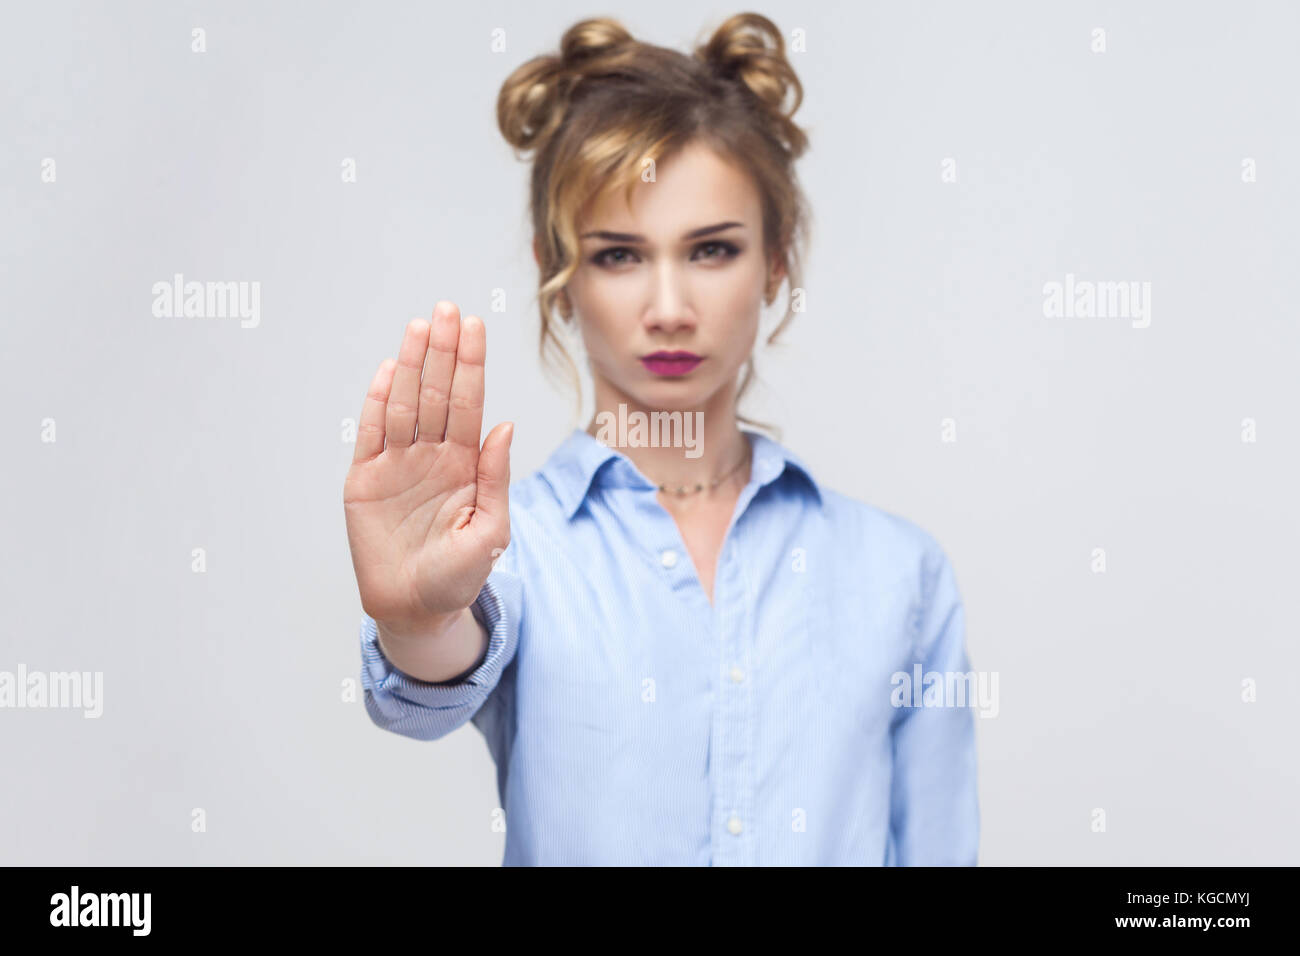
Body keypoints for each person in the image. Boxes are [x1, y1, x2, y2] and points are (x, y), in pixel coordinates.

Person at [343, 12, 979, 865]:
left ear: (777, 260)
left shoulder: (901, 573)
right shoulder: (508, 552)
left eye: (712, 250)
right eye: (618, 256)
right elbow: (434, 674)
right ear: (556, 275)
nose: (670, 307)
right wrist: (416, 616)